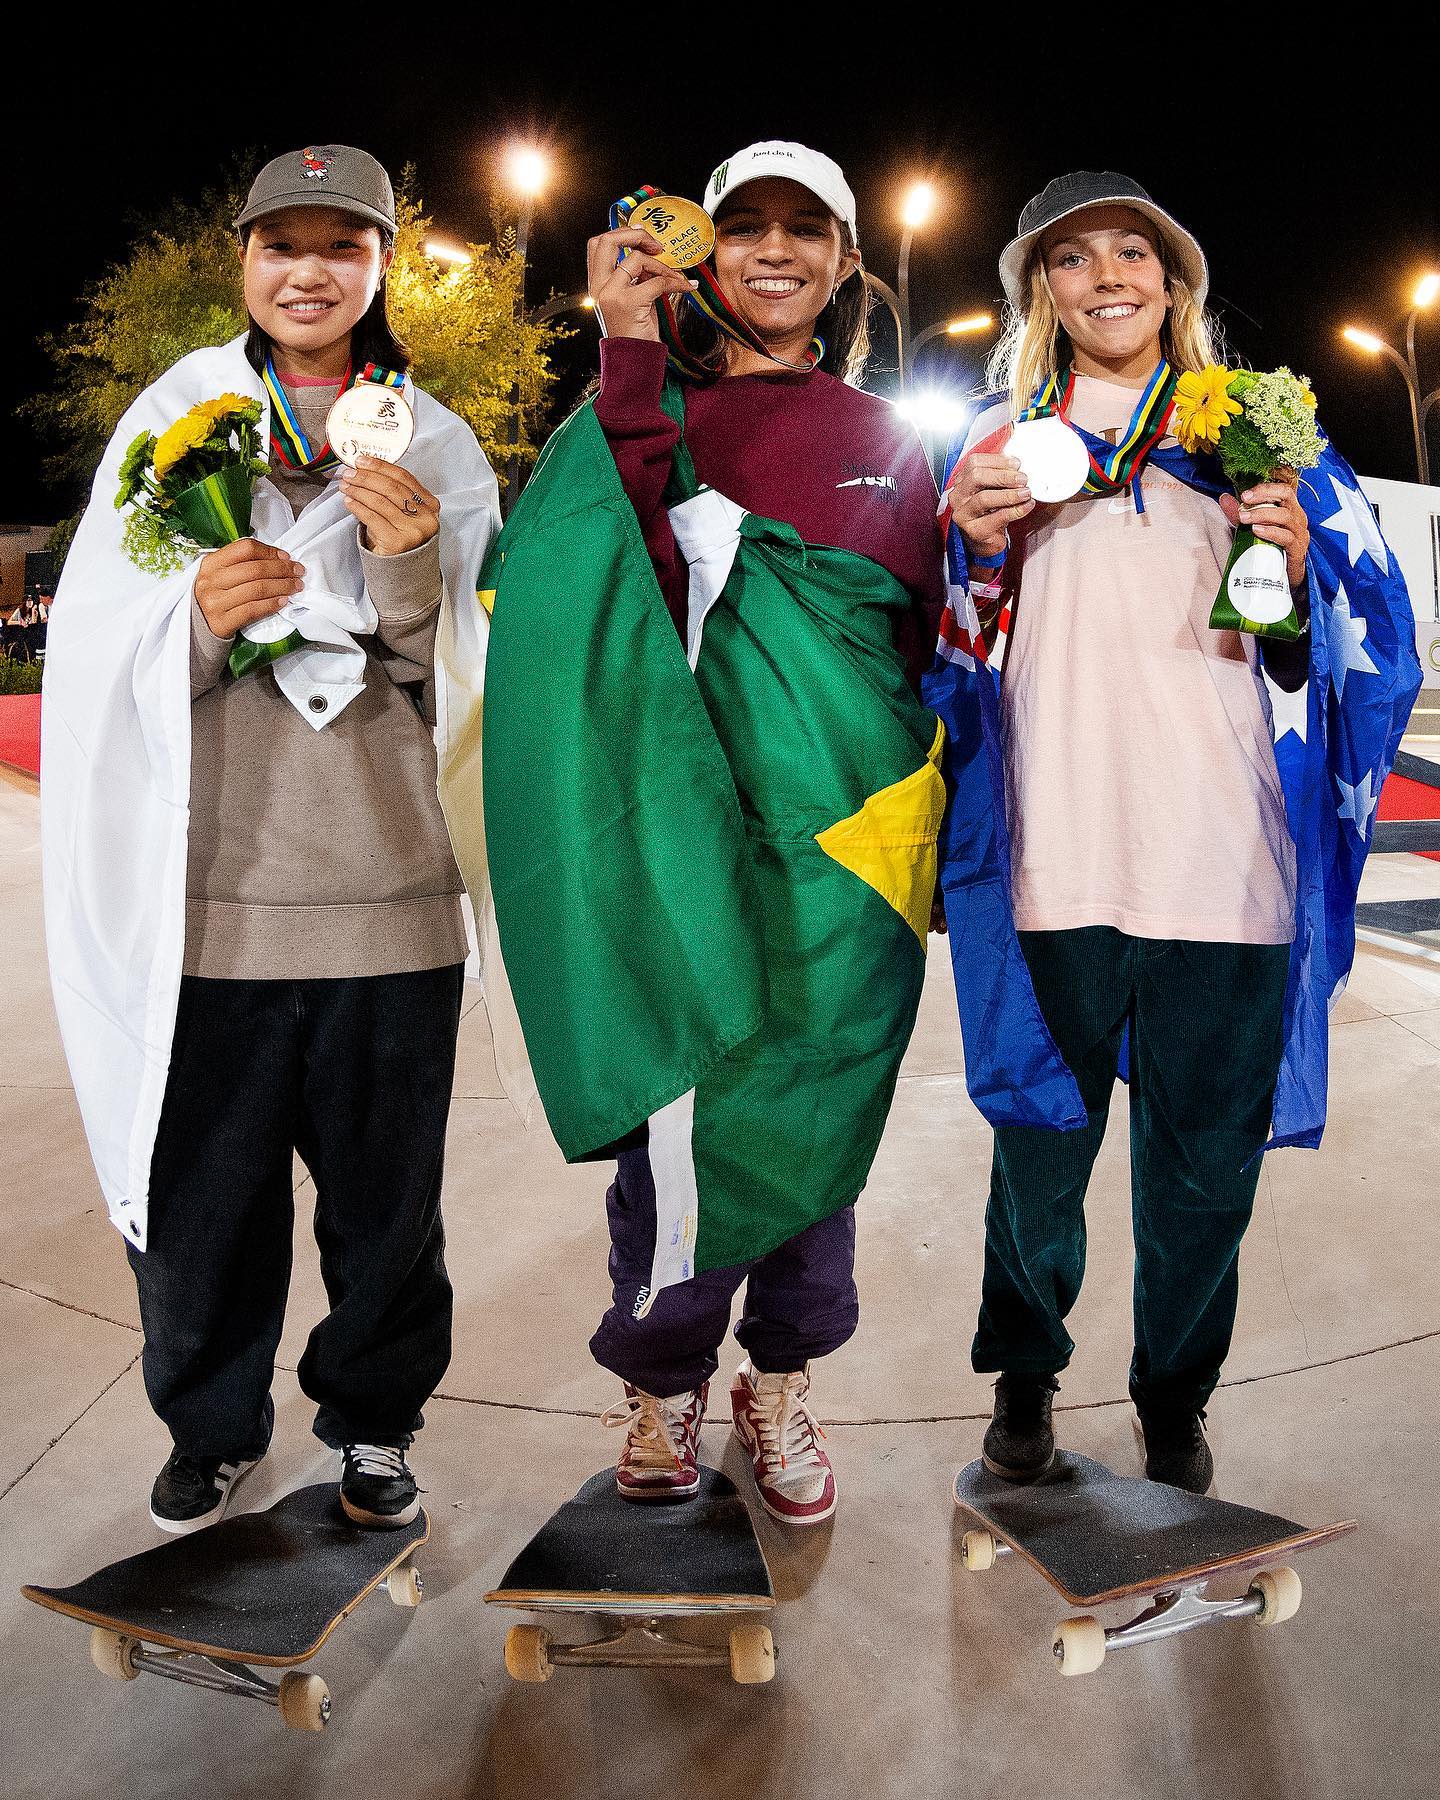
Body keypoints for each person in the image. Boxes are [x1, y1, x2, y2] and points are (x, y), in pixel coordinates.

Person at [462, 142, 946, 1528]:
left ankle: (781, 1382)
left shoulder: (888, 442)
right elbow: (601, 595)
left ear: (848, 263)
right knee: (674, 1102)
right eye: (749, 229)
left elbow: (923, 649)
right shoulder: (640, 401)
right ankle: (664, 1381)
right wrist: (626, 352)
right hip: (674, 825)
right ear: (707, 254)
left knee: (814, 1109)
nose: (778, 251)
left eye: (811, 230)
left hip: (845, 851)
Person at [926, 171, 1421, 1492]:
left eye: (1133, 253)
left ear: (1174, 280)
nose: (1106, 277)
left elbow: (1348, 652)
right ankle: (1025, 1378)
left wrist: (1303, 566)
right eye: (1072, 257)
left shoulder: (1260, 434)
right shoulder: (988, 440)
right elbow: (937, 659)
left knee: (1203, 1175)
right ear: (1040, 287)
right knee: (1039, 1157)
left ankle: (1173, 1399)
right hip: (1050, 863)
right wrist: (970, 558)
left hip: (1222, 871)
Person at [41, 145, 497, 1533]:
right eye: (280, 244)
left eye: (341, 245)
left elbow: (483, 675)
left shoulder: (436, 439)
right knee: (202, 1212)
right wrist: (194, 620)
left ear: (380, 266)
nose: (309, 272)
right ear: (242, 261)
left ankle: (372, 1424)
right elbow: (94, 653)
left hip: (392, 901)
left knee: (386, 1217)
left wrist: (414, 571)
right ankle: (212, 1424)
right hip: (209, 909)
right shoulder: (171, 422)